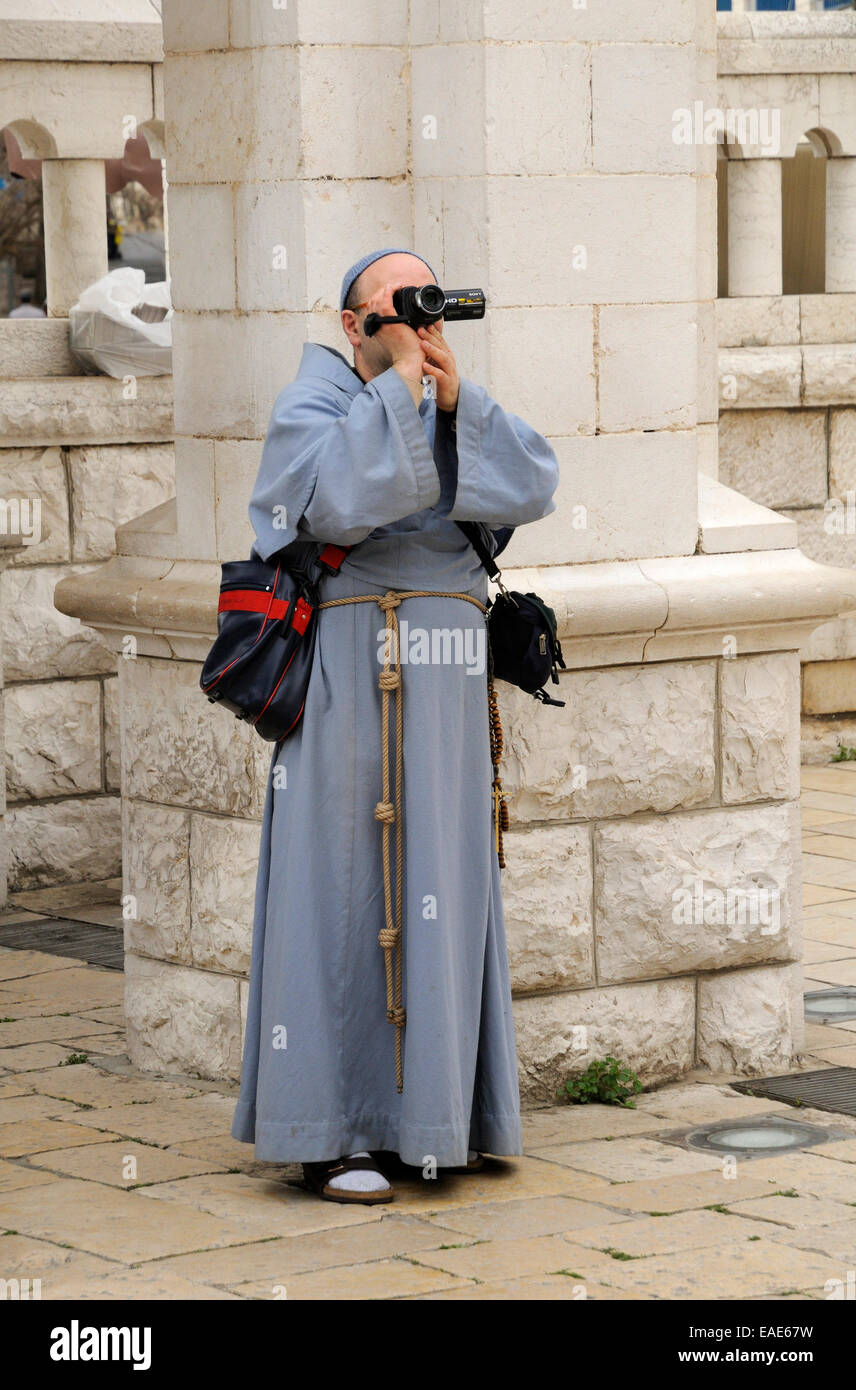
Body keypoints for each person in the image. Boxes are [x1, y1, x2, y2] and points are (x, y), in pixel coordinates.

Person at [231, 248, 559, 1203]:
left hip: (448, 682)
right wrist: (398, 395)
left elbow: (531, 485)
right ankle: (332, 1135)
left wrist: (455, 404)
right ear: (350, 326)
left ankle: (437, 1122)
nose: (419, 330)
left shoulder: (440, 393)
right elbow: (331, 499)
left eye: (430, 313)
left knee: (442, 878)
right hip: (345, 671)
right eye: (396, 312)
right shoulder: (314, 403)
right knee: (336, 878)